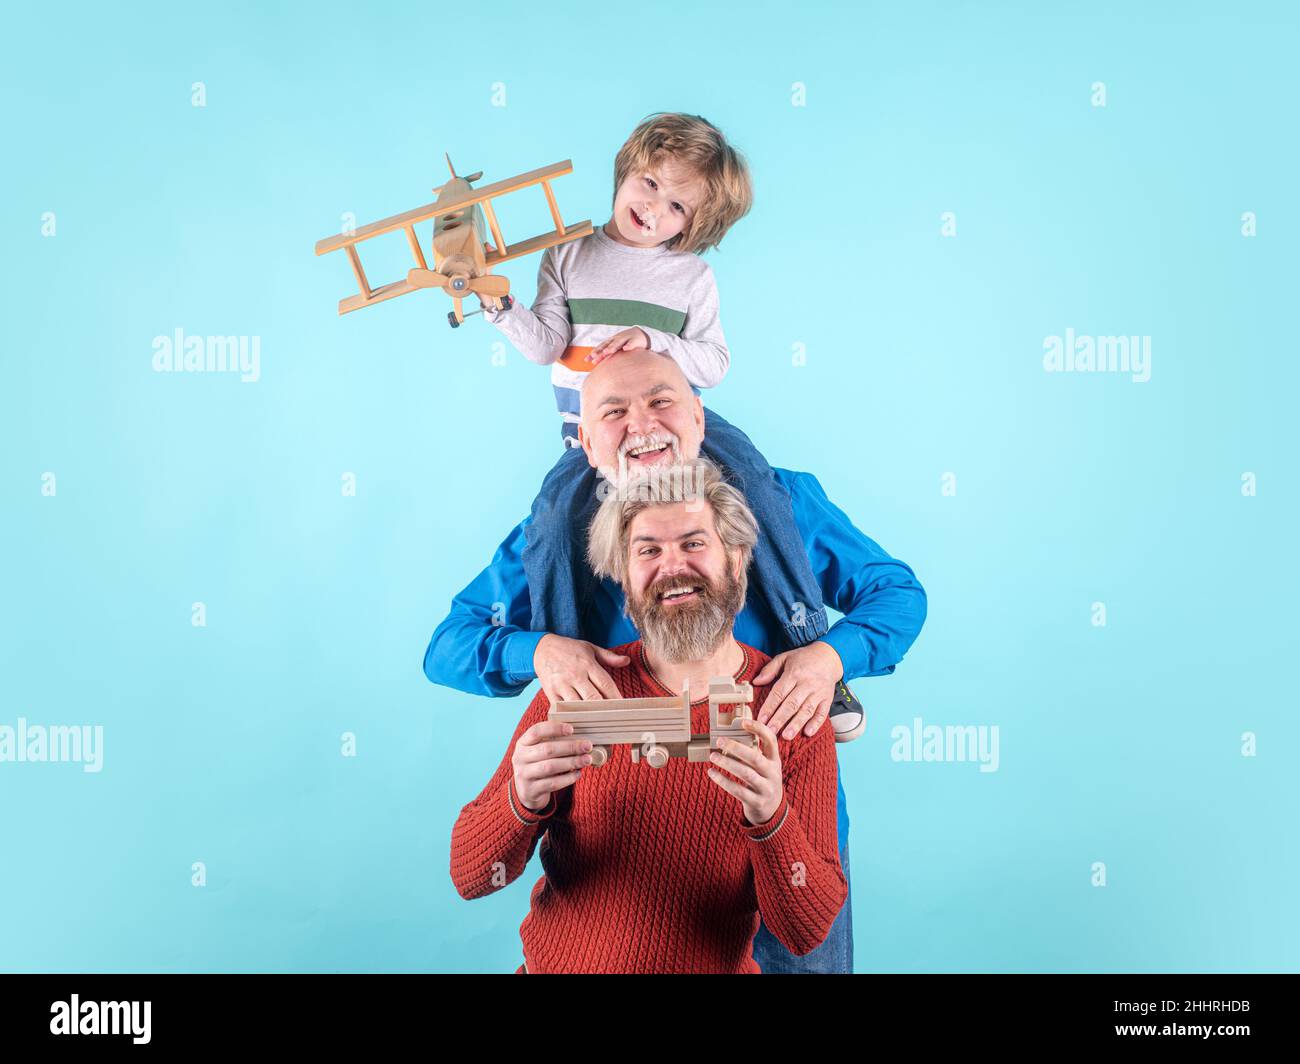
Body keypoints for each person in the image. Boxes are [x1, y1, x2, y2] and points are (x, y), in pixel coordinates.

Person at [426, 350, 929, 973]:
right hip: (621, 823)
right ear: (585, 442)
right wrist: (539, 650)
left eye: (661, 401)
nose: (642, 424)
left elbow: (897, 594)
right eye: (614, 412)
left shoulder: (779, 504)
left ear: (699, 415)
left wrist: (828, 659)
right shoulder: (552, 540)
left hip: (777, 808)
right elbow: (448, 645)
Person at [484, 112, 840, 692]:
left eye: (678, 206)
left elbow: (714, 363)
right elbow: (545, 343)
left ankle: (805, 637)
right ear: (626, 170)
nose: (654, 208)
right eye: (651, 184)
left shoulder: (691, 277)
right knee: (551, 521)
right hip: (591, 438)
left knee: (759, 482)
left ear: (695, 224)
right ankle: (570, 681)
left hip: (679, 427)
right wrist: (499, 306)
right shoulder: (567, 257)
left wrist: (654, 341)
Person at [450, 458, 846, 972]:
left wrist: (771, 817)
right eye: (648, 550)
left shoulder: (788, 707)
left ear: (737, 558)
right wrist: (519, 801)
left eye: (694, 543)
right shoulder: (579, 690)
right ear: (624, 576)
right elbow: (472, 876)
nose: (672, 566)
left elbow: (804, 933)